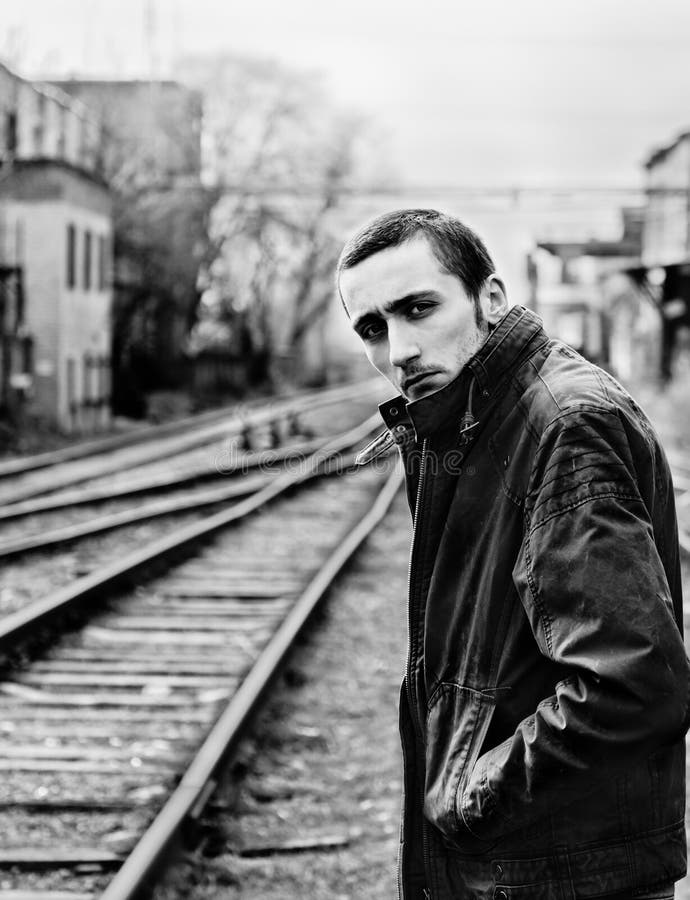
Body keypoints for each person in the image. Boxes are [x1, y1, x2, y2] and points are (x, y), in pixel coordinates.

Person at [337, 208, 690, 900]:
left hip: (565, 875)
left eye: (419, 308)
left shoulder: (563, 427)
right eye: (373, 328)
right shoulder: (476, 424)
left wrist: (469, 795)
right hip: (534, 865)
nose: (398, 349)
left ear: (490, 299)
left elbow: (634, 686)